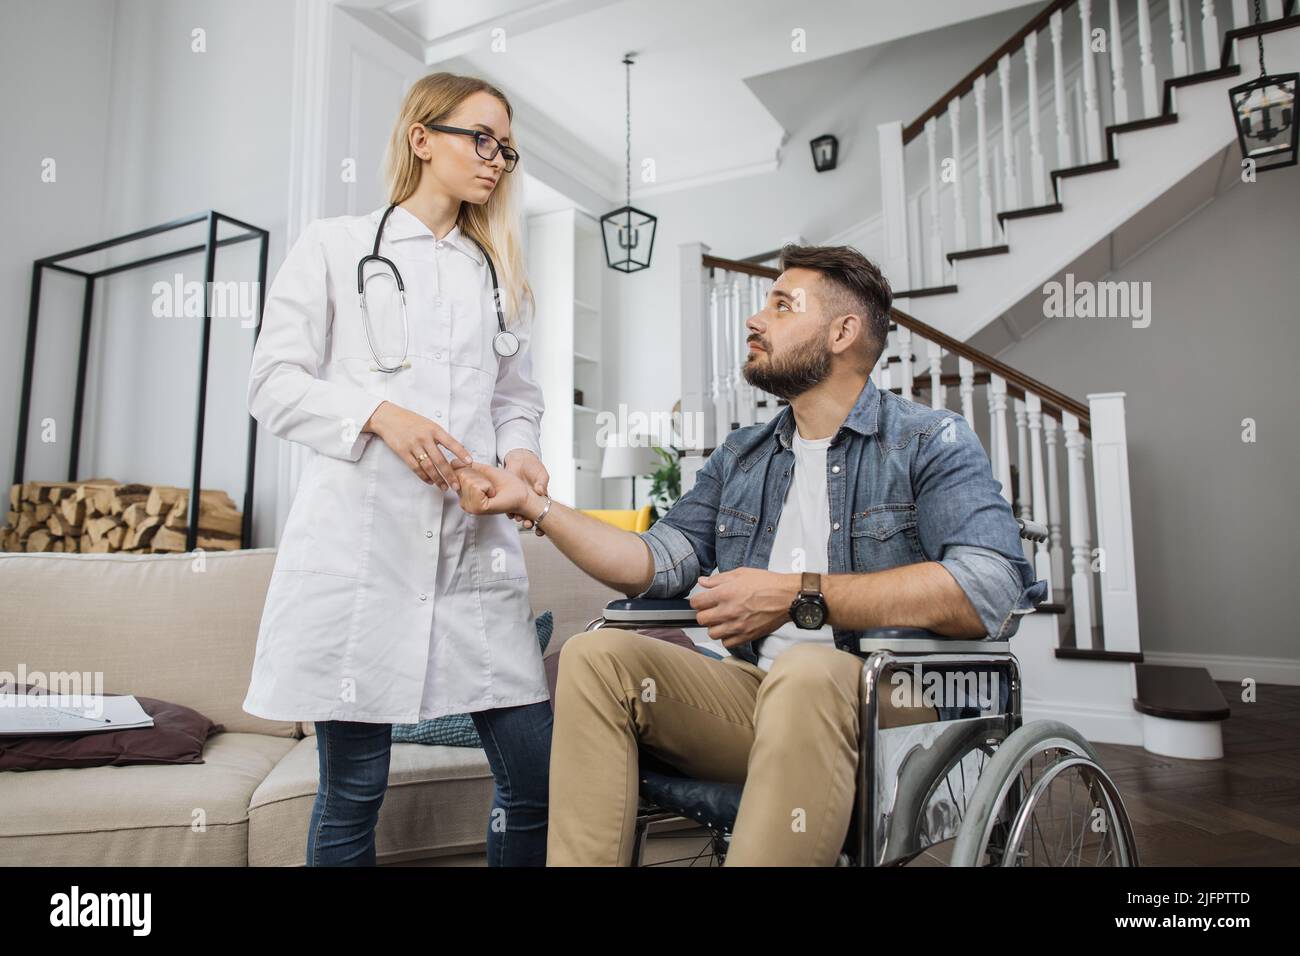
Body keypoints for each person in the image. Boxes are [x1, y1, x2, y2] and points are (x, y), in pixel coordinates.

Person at [453, 243, 1047, 866]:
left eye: (783, 305)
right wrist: (536, 505)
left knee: (809, 673)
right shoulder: (744, 456)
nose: (754, 320)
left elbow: (988, 585)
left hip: (895, 708)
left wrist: (796, 595)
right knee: (596, 655)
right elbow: (655, 559)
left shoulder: (929, 440)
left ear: (843, 332)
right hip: (759, 697)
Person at [242, 72, 554, 866]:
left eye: (506, 149)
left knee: (535, 779)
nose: (496, 160)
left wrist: (522, 453)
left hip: (472, 551)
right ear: (422, 138)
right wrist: (379, 415)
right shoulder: (335, 246)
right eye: (480, 139)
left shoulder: (500, 275)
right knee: (351, 794)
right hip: (362, 551)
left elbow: (519, 397)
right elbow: (271, 386)